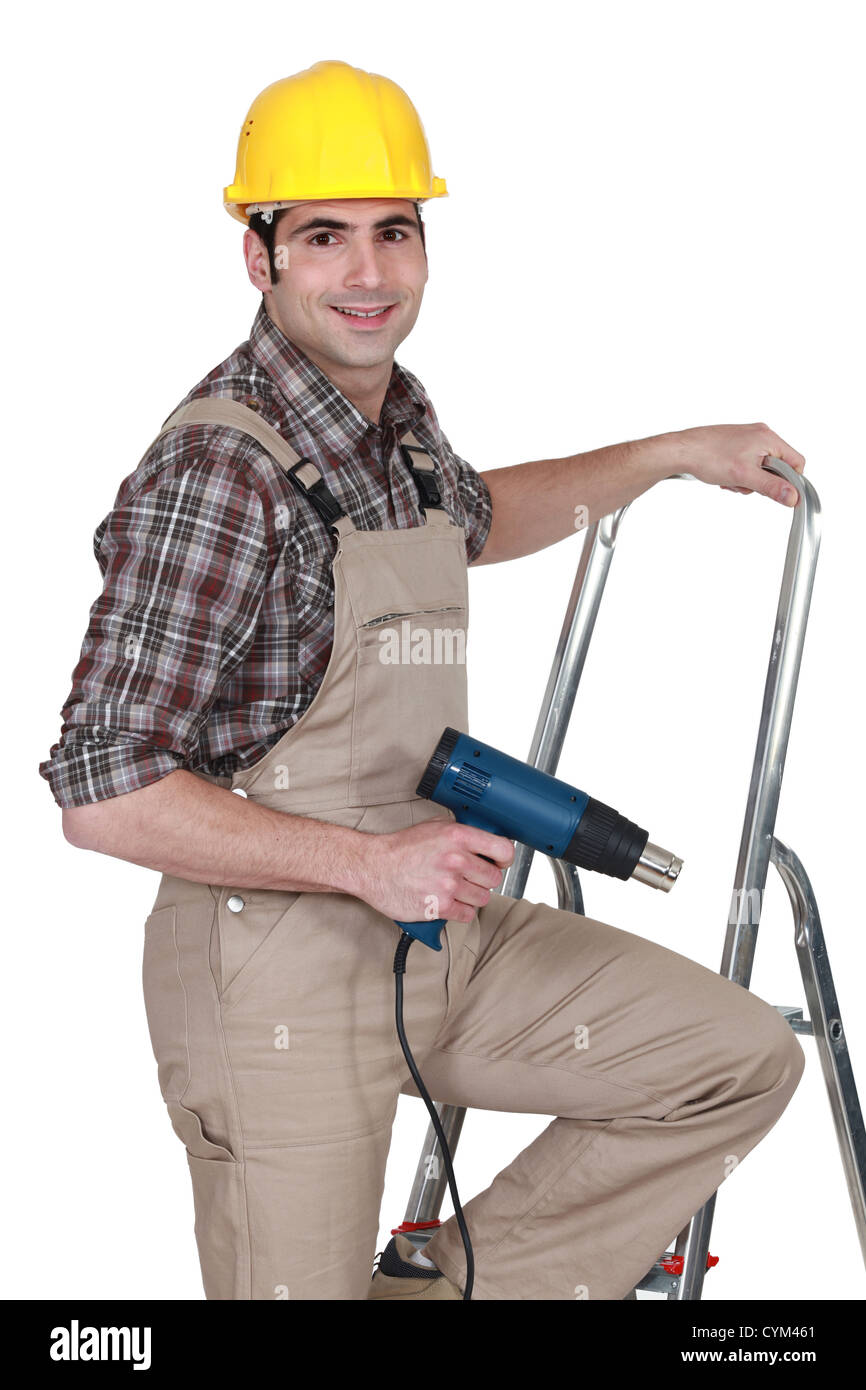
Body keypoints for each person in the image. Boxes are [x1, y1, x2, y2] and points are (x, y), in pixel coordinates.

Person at [40, 59, 807, 1301]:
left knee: (728, 1058)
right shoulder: (220, 471)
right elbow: (101, 789)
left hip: (430, 938)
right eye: (325, 236)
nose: (367, 274)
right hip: (267, 973)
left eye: (394, 233)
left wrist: (670, 455)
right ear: (259, 257)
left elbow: (478, 515)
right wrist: (367, 865)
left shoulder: (391, 419)